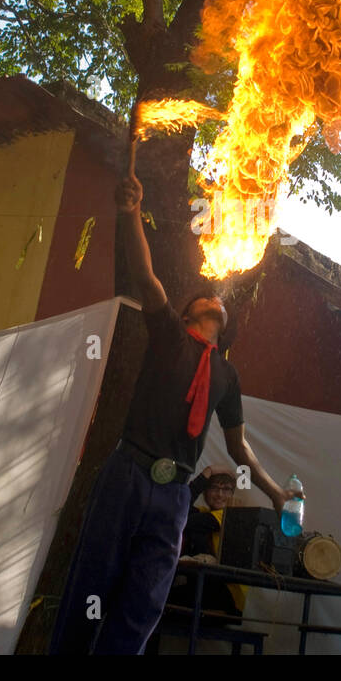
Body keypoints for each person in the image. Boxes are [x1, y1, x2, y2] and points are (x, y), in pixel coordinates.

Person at [48, 172, 293, 654]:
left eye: (218, 300)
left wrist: (276, 492)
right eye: (203, 298)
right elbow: (145, 275)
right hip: (128, 473)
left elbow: (239, 446)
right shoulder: (169, 337)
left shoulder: (227, 375)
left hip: (174, 494)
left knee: (144, 604)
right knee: (91, 587)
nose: (214, 297)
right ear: (185, 316)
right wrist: (130, 211)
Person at [165, 467, 248, 621]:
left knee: (158, 600)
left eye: (226, 490)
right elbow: (177, 510)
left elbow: (185, 522)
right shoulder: (203, 513)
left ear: (232, 494)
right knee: (155, 599)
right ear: (205, 491)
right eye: (214, 488)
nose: (220, 494)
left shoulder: (229, 515)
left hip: (226, 597)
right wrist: (205, 475)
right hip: (203, 586)